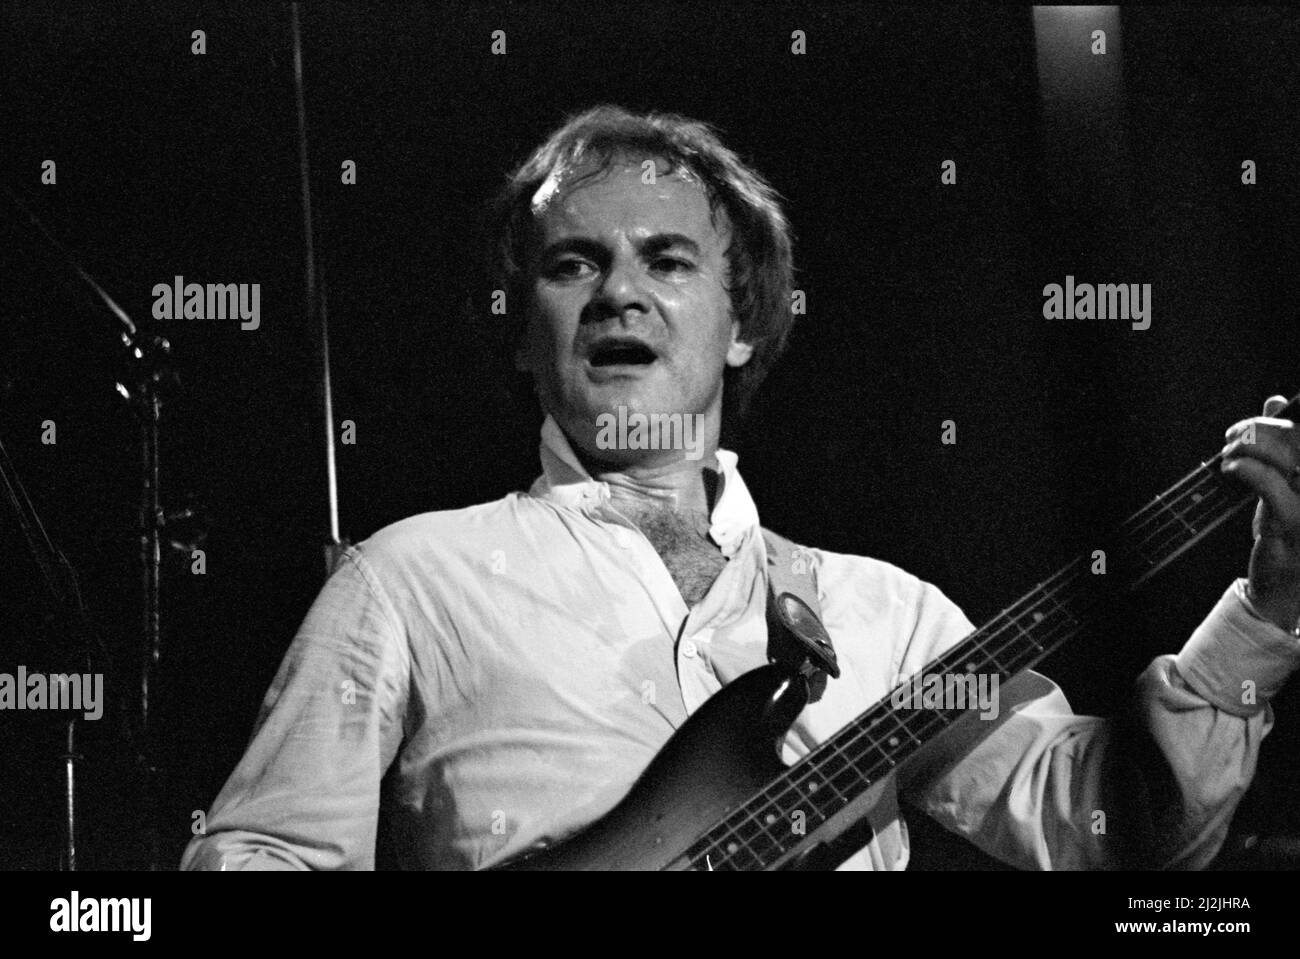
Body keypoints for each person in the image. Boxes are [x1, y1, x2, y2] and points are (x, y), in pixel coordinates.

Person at [181, 105, 1300, 871]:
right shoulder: (406, 581)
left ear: (744, 322)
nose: (619, 292)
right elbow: (256, 855)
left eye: (666, 261)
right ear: (525, 334)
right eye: (573, 264)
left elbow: (1109, 824)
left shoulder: (883, 615)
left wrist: (1266, 613)